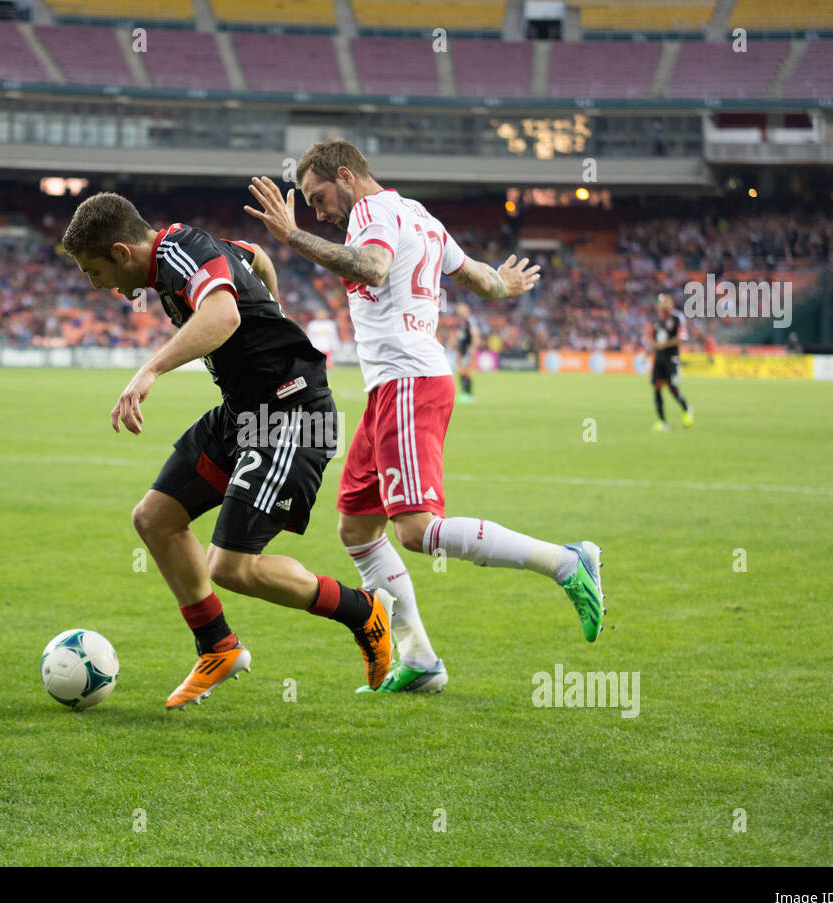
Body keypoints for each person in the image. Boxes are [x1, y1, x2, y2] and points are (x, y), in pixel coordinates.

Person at [244, 139, 605, 696]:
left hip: (409, 383)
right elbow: (480, 279)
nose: (317, 211)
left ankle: (566, 562)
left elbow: (374, 265)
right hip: (391, 387)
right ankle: (419, 658)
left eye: (318, 197)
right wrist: (502, 284)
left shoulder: (372, 211)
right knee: (358, 529)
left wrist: (293, 237)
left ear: (346, 175)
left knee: (415, 531)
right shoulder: (419, 215)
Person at [60, 192, 394, 710]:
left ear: (122, 252)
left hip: (289, 413)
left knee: (232, 567)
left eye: (93, 271)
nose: (95, 285)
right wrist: (274, 309)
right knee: (155, 518)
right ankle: (217, 647)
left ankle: (363, 610)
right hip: (243, 412)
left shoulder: (178, 252)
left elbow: (224, 317)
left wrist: (149, 370)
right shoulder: (188, 254)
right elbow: (254, 256)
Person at [650, 292, 693, 433]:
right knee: (656, 388)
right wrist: (651, 349)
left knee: (673, 389)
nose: (659, 306)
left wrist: (664, 345)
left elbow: (682, 338)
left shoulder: (677, 318)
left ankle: (686, 409)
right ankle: (662, 422)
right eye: (658, 303)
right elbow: (653, 341)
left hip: (671, 359)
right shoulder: (656, 322)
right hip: (659, 359)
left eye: (662, 303)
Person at [450, 302, 485, 404]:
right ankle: (464, 393)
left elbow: (475, 335)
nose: (459, 311)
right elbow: (457, 335)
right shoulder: (459, 322)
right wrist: (454, 346)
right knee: (460, 371)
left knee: (466, 372)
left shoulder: (470, 321)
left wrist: (473, 347)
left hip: (467, 349)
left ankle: (469, 394)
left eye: (461, 309)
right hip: (461, 349)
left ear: (466, 310)